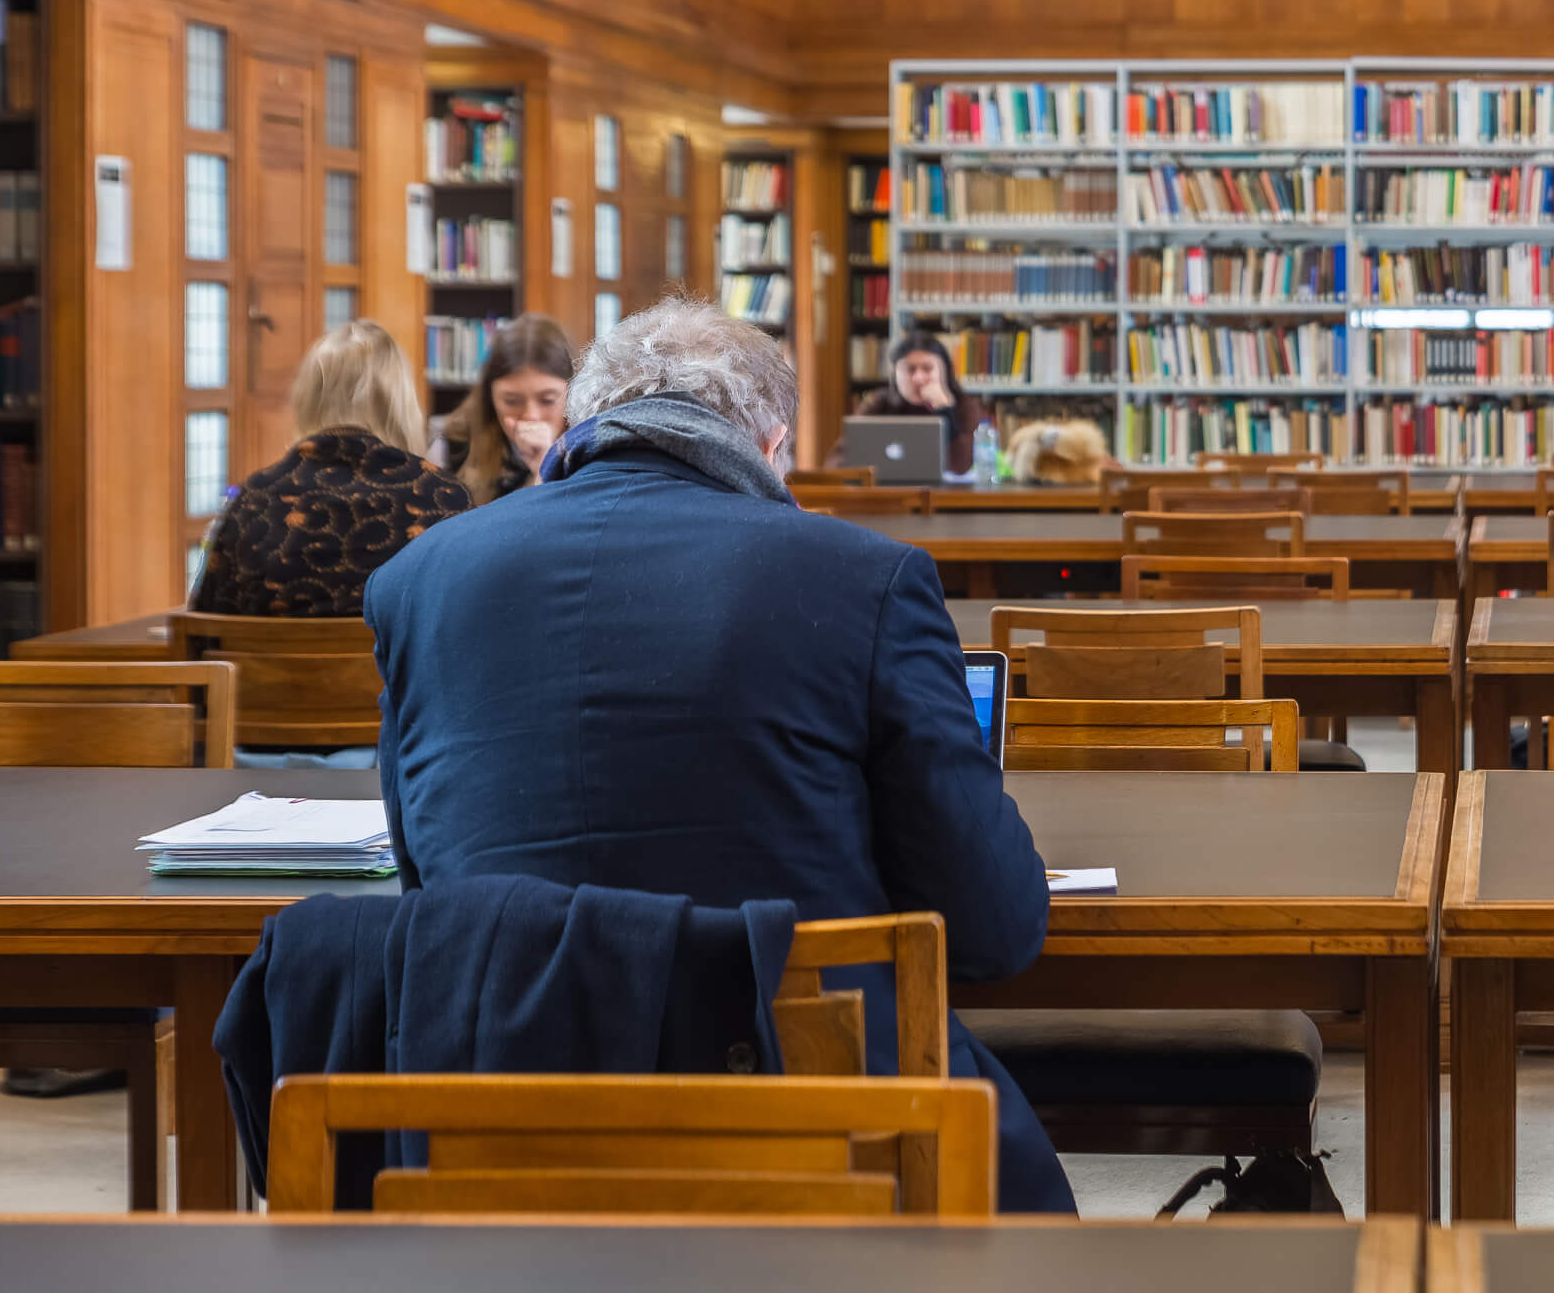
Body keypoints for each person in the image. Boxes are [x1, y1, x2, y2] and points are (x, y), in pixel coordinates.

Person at [364, 298, 1071, 1213]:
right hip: (809, 1119)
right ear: (772, 442)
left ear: (581, 422)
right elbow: (996, 927)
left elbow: (422, 874)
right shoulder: (865, 577)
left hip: (496, 1110)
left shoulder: (418, 581)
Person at [191, 321, 471, 617]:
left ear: (307, 401)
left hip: (281, 664)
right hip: (403, 666)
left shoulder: (253, 501)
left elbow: (207, 628)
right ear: (402, 406)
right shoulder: (445, 498)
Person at [432, 314, 573, 504]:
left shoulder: (591, 450)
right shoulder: (452, 447)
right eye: (512, 401)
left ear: (574, 393)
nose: (531, 416)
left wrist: (544, 468)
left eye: (547, 400)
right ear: (490, 397)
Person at [829, 332, 988, 477]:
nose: (918, 378)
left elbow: (962, 466)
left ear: (944, 371)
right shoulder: (878, 403)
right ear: (896, 374)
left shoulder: (963, 405)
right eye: (910, 370)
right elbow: (835, 461)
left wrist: (945, 410)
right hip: (887, 497)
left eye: (927, 368)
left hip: (944, 500)